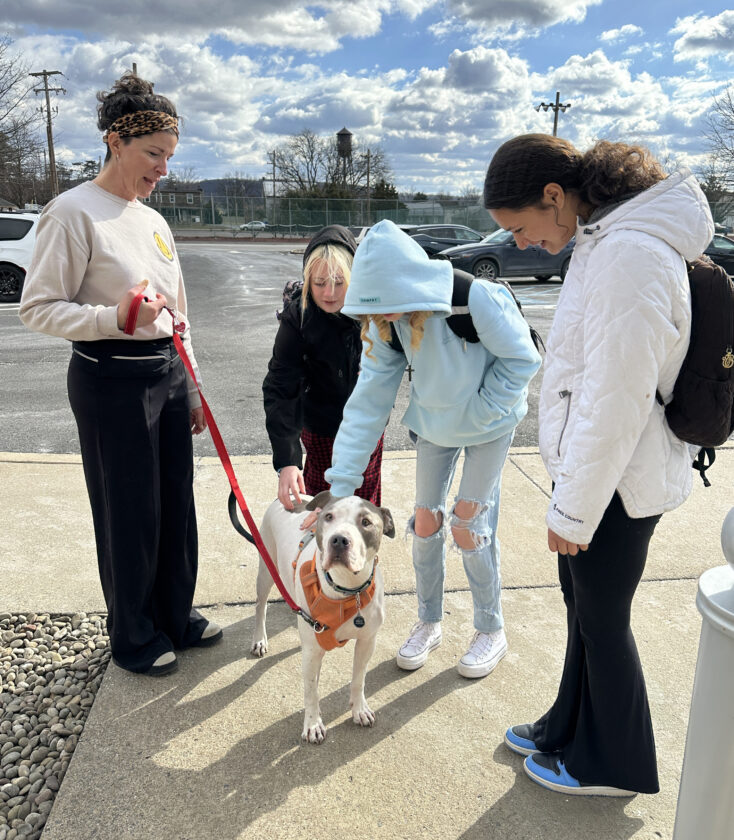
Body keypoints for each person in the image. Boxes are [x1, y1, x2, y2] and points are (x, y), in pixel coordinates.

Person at [483, 134, 714, 796]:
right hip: (602, 472)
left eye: (520, 227)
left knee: (604, 620)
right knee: (583, 608)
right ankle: (569, 725)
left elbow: (617, 397)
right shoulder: (604, 240)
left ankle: (614, 765)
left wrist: (575, 507)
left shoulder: (628, 255)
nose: (520, 243)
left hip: (619, 480)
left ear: (556, 197)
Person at [19, 72, 222, 677]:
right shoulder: (73, 212)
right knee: (129, 510)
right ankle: (133, 635)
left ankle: (173, 615)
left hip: (165, 372)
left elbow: (179, 312)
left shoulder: (153, 222)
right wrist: (115, 315)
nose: (163, 169)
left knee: (174, 504)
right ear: (116, 141)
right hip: (109, 379)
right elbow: (38, 307)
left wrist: (193, 388)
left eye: (169, 156)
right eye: (154, 154)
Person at [324, 219, 541, 678]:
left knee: (467, 524)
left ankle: (490, 628)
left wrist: (482, 410)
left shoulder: (473, 298)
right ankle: (429, 621)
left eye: (387, 306)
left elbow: (524, 359)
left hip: (490, 423)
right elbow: (368, 401)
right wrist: (342, 486)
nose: (382, 317)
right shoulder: (386, 324)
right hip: (436, 425)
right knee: (425, 524)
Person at [263, 225, 384, 509]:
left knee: (362, 504)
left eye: (339, 282)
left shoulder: (373, 311)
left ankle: (365, 553)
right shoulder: (299, 317)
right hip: (320, 425)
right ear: (307, 279)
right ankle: (316, 553)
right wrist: (288, 461)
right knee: (321, 506)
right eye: (319, 283)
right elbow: (281, 386)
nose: (329, 293)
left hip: (368, 422)